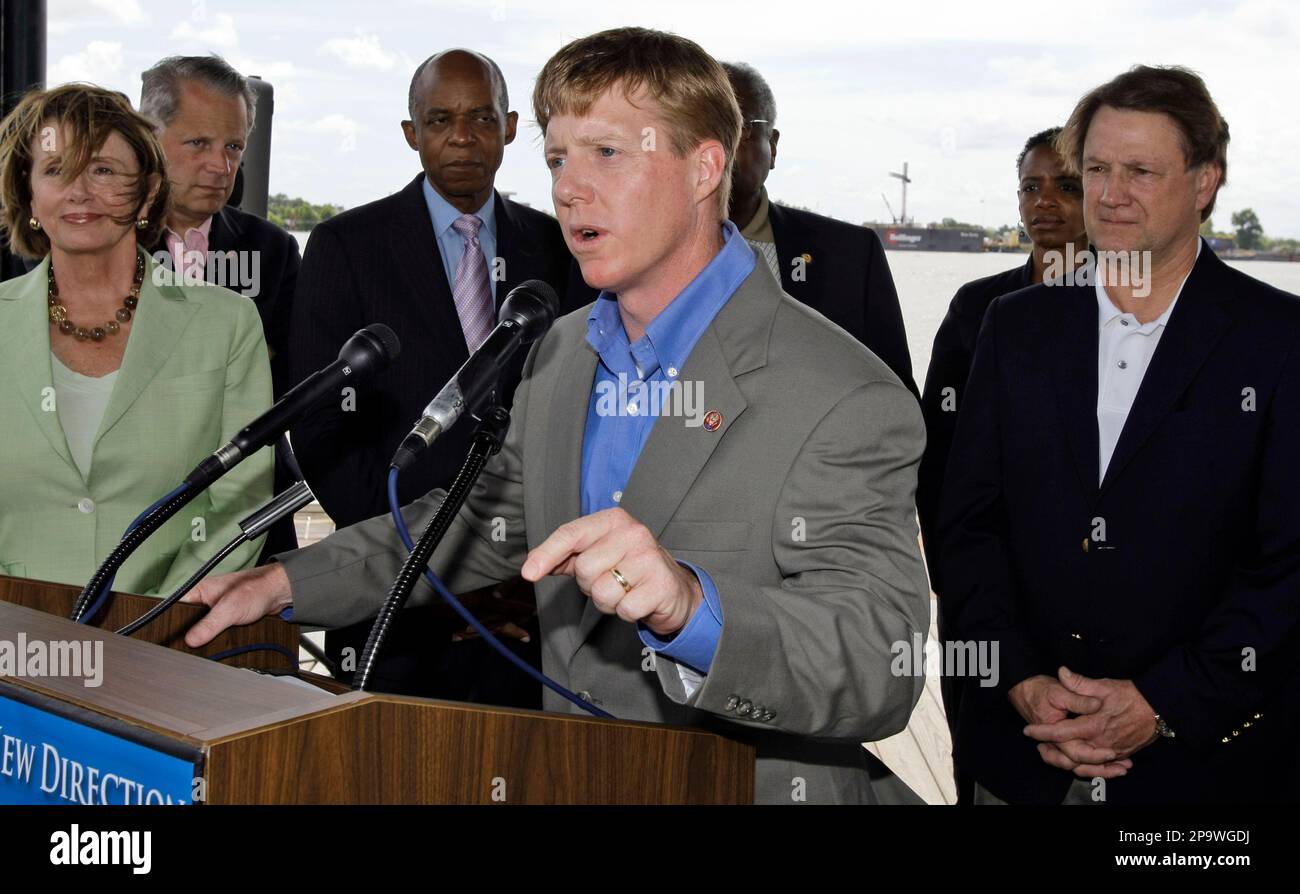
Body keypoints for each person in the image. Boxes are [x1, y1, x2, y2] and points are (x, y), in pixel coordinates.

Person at [183, 27, 931, 805]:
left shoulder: (844, 393)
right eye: (557, 160)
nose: (570, 188)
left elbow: (881, 663)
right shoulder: (558, 352)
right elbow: (476, 521)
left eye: (608, 153)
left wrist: (692, 609)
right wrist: (281, 584)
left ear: (706, 168)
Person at [939, 65, 1300, 804]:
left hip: (1208, 772)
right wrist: (1019, 679)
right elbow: (968, 525)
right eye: (1096, 169)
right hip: (1020, 757)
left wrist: (1165, 701)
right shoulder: (1014, 327)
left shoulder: (1281, 340)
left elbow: (1290, 565)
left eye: (1140, 171)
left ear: (1205, 182)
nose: (1109, 195)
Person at [286, 48, 592, 699]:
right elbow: (321, 434)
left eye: (481, 118)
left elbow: (578, 421)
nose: (462, 137)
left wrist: (515, 576)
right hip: (389, 612)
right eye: (440, 119)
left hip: (530, 614)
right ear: (411, 133)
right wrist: (434, 572)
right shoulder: (345, 246)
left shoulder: (561, 250)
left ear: (511, 127)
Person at [0, 84, 273, 596]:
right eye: (56, 170)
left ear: (148, 192)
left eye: (103, 170)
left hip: (168, 642)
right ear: (30, 192)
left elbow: (240, 501)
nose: (80, 192)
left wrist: (153, 621)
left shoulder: (227, 324)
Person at [141, 54, 303, 561]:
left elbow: (288, 385)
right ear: (148, 133)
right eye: (198, 144)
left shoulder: (273, 251)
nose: (221, 165)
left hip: (249, 522)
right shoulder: (101, 246)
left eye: (233, 146)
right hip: (129, 519)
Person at [720, 61, 917, 397]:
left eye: (739, 127)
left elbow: (894, 396)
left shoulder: (851, 257)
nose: (719, 147)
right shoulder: (619, 259)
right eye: (702, 128)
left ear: (774, 145)